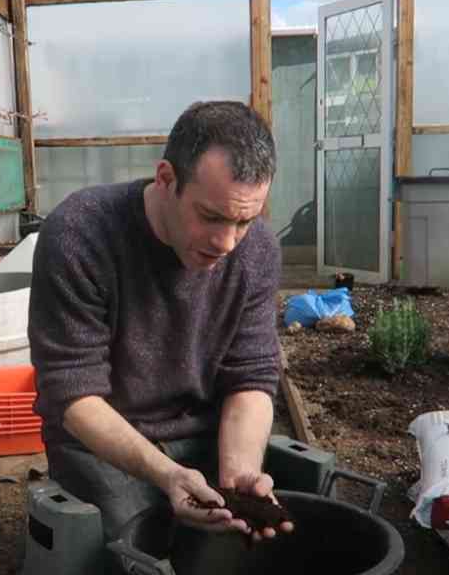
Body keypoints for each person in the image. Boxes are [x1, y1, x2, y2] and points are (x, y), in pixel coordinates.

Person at [27, 101, 293, 543]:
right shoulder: (80, 234)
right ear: (166, 178)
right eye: (211, 216)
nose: (226, 242)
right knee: (129, 546)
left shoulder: (257, 250)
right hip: (101, 443)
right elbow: (72, 393)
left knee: (254, 533)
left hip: (204, 432)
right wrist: (167, 475)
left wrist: (239, 474)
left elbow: (251, 377)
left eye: (244, 221)